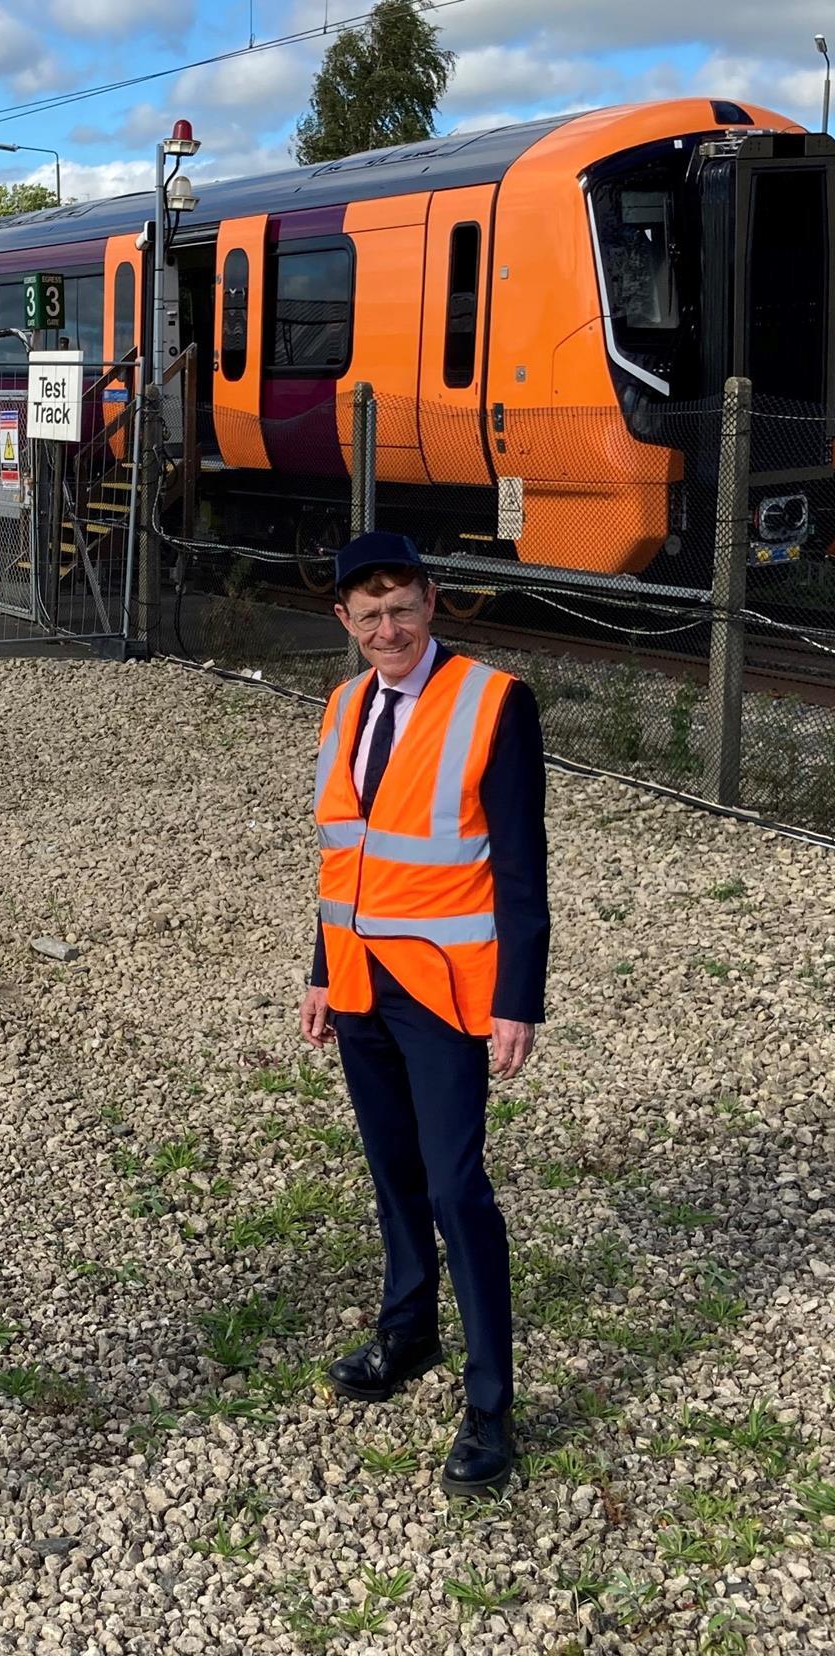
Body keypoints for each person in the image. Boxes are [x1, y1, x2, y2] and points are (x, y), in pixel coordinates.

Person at [298, 530, 550, 1499]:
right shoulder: (341, 705)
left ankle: (489, 1403)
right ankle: (405, 1329)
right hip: (359, 983)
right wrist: (321, 967)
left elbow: (520, 863)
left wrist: (515, 996)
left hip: (447, 989)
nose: (386, 628)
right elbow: (341, 853)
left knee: (453, 1188)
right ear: (343, 621)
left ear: (430, 602)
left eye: (399, 607)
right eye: (367, 615)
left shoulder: (492, 701)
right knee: (391, 1172)